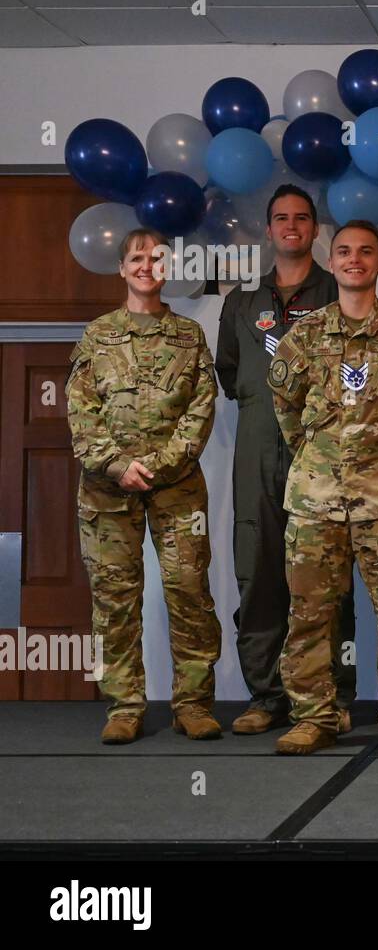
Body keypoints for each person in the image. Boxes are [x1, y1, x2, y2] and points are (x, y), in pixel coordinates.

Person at [267, 220, 378, 756]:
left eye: (365, 252)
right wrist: (319, 454)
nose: (354, 260)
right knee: (309, 614)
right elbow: (287, 409)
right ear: (333, 260)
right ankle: (313, 715)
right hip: (316, 499)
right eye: (344, 252)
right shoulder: (303, 334)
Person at [68, 227, 222, 744]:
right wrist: (116, 465)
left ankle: (194, 704)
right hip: (106, 490)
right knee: (114, 597)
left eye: (156, 258)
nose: (146, 266)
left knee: (189, 591)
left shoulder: (188, 336)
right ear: (121, 268)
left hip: (176, 487)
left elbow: (201, 411)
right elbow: (80, 413)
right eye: (136, 258)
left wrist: (160, 463)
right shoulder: (96, 335)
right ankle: (124, 705)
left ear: (167, 268)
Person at [216, 184, 357, 736]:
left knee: (329, 580)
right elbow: (231, 374)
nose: (292, 226)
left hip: (323, 451)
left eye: (302, 218)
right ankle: (267, 696)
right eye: (281, 218)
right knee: (259, 575)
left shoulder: (338, 292)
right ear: (269, 229)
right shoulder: (241, 303)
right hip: (256, 448)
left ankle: (333, 698)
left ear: (316, 229)